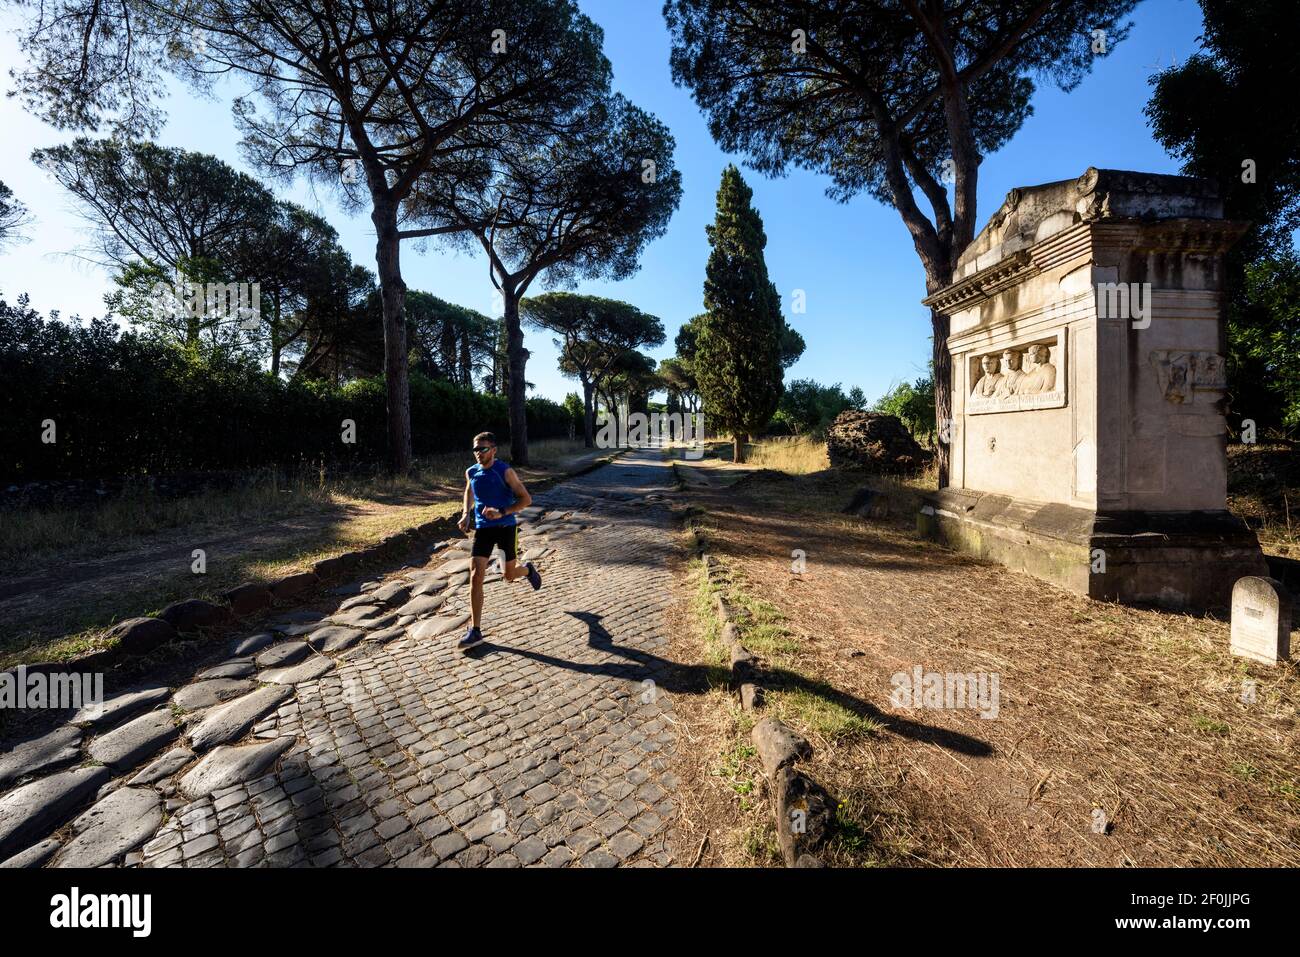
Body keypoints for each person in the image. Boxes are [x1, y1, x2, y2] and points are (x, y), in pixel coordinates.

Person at [455, 432, 541, 651]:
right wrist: (466, 513)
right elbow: (469, 490)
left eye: (483, 449)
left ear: (493, 450)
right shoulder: (471, 472)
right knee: (475, 575)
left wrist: (502, 511)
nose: (478, 454)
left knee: (509, 575)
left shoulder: (505, 471)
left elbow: (526, 499)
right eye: (475, 449)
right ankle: (475, 631)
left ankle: (528, 571)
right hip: (483, 529)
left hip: (506, 527)